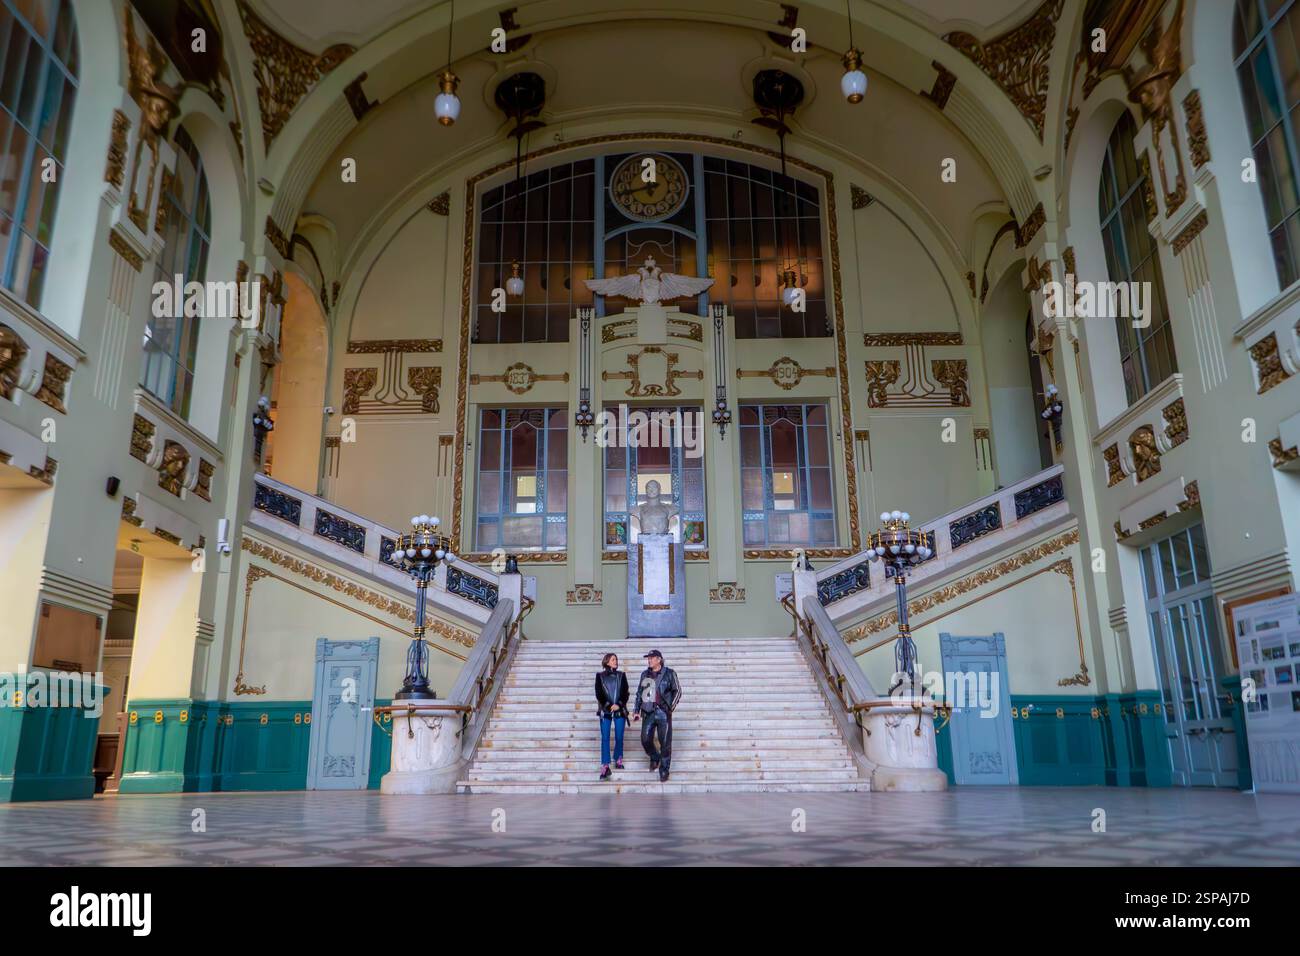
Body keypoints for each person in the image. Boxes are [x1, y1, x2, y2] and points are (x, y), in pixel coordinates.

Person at [632, 649, 682, 782]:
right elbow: (639, 693)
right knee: (645, 739)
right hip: (648, 711)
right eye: (648, 658)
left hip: (663, 713)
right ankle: (655, 757)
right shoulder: (645, 674)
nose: (649, 660)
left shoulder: (669, 673)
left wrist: (670, 708)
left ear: (659, 659)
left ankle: (664, 769)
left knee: (665, 743)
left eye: (652, 658)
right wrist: (636, 710)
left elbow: (678, 691)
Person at [594, 653, 629, 781]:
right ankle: (605, 765)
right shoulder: (600, 676)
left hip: (619, 709)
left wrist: (619, 704)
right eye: (613, 659)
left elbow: (626, 692)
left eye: (616, 659)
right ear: (607, 662)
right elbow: (599, 693)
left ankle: (618, 758)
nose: (616, 661)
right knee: (605, 737)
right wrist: (609, 706)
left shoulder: (621, 675)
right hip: (605, 710)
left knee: (619, 736)